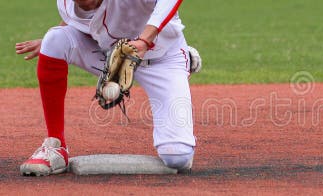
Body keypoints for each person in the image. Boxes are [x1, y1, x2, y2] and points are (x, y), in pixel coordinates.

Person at [14, 0, 196, 176]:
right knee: (54, 39)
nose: (84, 4)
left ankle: (186, 59)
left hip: (162, 60)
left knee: (177, 156)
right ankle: (56, 145)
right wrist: (48, 43)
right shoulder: (66, 4)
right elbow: (75, 21)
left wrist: (144, 40)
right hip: (114, 60)